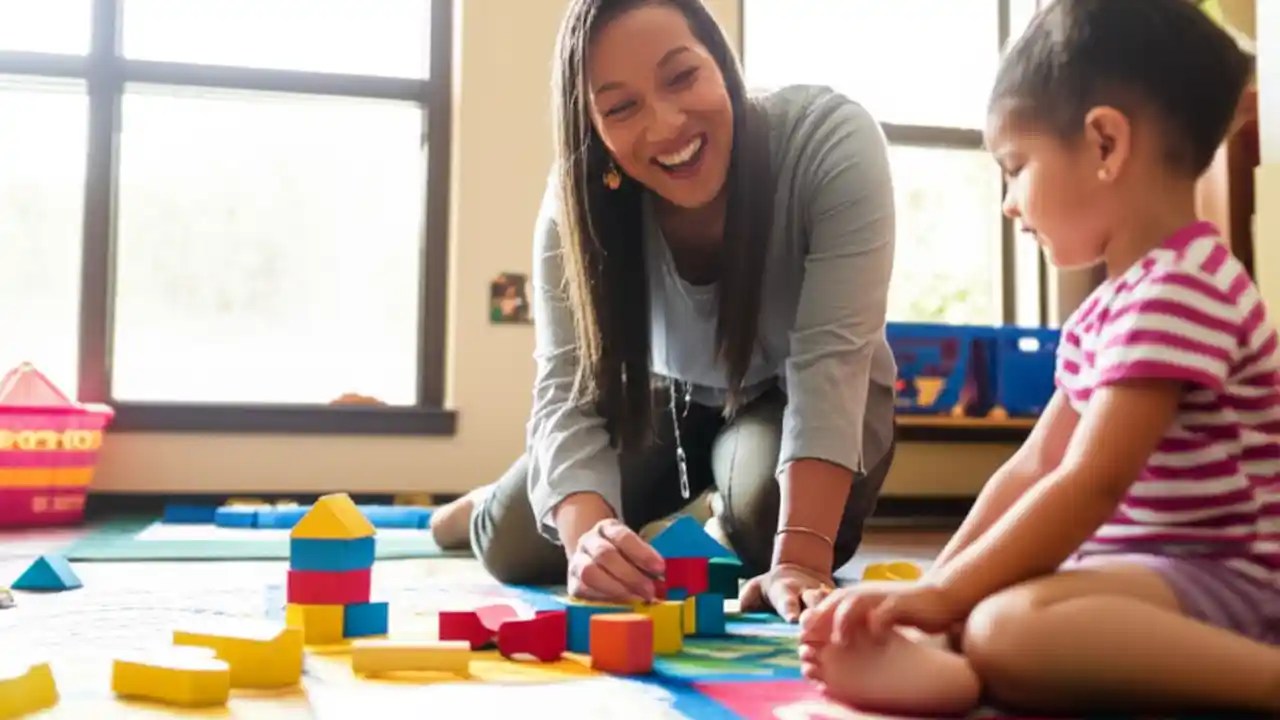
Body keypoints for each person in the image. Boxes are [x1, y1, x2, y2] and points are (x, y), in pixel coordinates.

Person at [798, 0, 1279, 716]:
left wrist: (947, 597)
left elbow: (1090, 480)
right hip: (1142, 574)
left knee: (1004, 626)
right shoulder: (1109, 308)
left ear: (1106, 145)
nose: (1009, 205)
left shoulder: (1183, 289)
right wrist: (941, 582)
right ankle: (961, 664)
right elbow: (1033, 467)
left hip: (1228, 582)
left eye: (1016, 168)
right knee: (983, 604)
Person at [429, 0, 898, 622]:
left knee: (767, 528)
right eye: (622, 108)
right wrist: (591, 541)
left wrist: (801, 557)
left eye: (682, 77)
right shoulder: (576, 202)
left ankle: (718, 515)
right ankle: (495, 500)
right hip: (665, 399)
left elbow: (831, 365)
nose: (667, 124)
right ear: (592, 125)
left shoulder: (829, 140)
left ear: (721, 63)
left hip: (797, 398)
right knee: (516, 546)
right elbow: (565, 389)